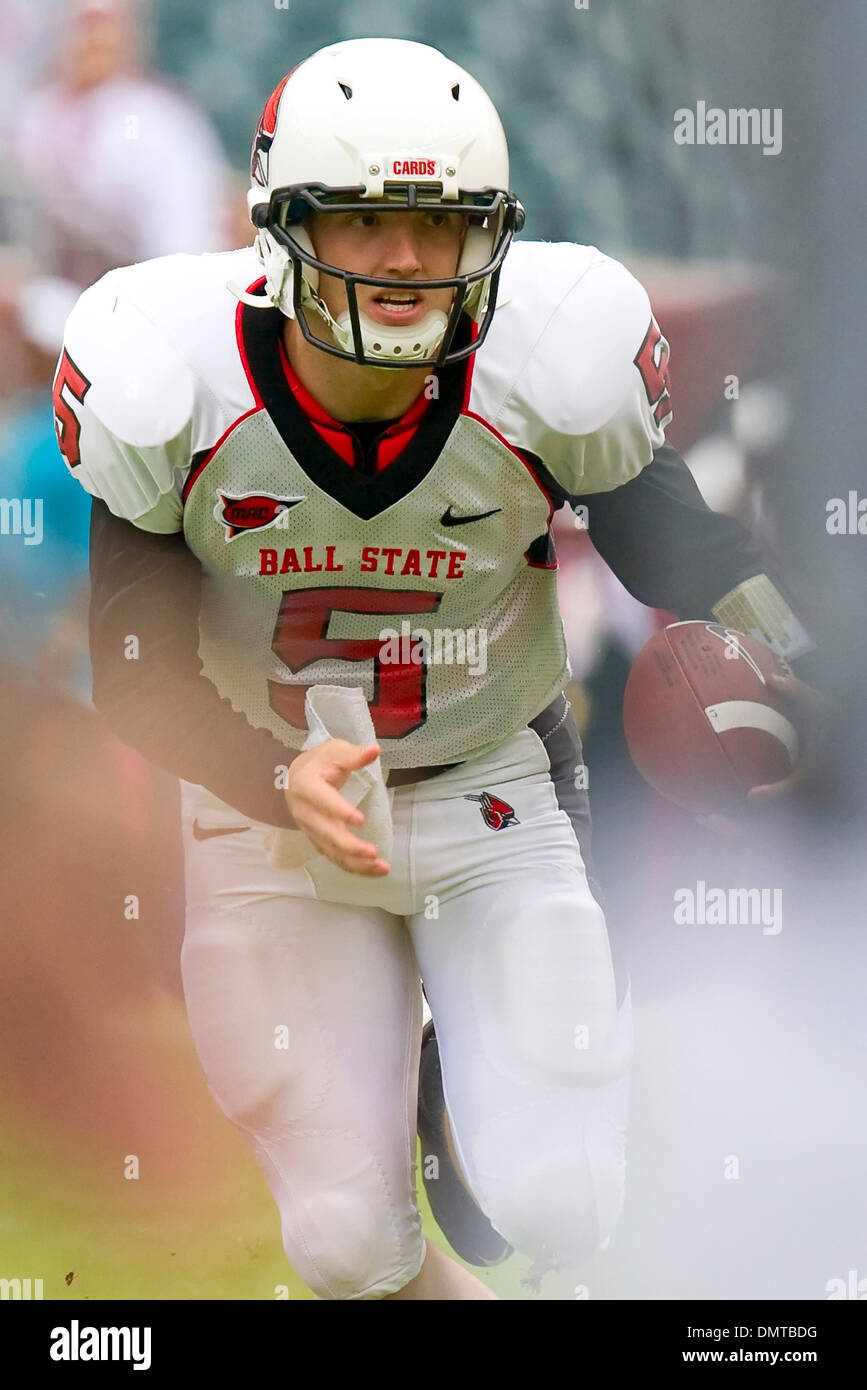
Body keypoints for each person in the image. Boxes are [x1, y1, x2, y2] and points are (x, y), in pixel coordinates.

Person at [53, 37, 816, 1300]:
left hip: (488, 774)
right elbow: (134, 666)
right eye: (365, 219)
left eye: (441, 221)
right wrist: (274, 776)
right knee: (346, 1245)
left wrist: (800, 660)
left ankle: (454, 1066)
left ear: (492, 231)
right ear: (283, 228)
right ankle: (404, 1067)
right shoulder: (172, 371)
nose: (407, 260)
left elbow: (690, 551)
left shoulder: (546, 363)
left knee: (560, 1204)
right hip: (269, 806)